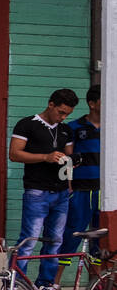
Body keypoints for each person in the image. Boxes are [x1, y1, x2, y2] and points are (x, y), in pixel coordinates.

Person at [9, 88, 78, 290]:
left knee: (55, 240)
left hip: (61, 193)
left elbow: (68, 159)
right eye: (61, 112)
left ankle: (44, 283)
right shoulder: (27, 124)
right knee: (29, 239)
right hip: (37, 191)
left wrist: (69, 182)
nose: (63, 117)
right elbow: (14, 154)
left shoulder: (65, 129)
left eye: (67, 114)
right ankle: (12, 284)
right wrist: (45, 157)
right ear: (51, 104)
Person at [63, 85, 101, 273]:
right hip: (80, 189)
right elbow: (67, 160)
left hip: (103, 192)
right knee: (73, 233)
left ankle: (98, 283)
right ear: (92, 104)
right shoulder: (74, 128)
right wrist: (69, 186)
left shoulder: (112, 127)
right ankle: (54, 282)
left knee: (100, 237)